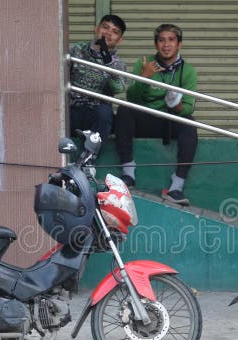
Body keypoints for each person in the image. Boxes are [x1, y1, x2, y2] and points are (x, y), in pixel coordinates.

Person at [115, 24, 198, 206]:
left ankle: (176, 187)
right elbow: (132, 98)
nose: (166, 45)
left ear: (179, 45)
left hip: (169, 122)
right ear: (156, 44)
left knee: (190, 124)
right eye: (161, 40)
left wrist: (176, 105)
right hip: (146, 120)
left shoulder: (188, 71)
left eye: (171, 40)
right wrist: (144, 78)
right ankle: (128, 174)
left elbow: (188, 109)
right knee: (124, 110)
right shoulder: (145, 63)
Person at [68, 15, 127, 144]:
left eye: (115, 31)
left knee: (105, 112)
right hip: (72, 108)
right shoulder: (76, 50)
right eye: (105, 27)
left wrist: (107, 62)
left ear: (119, 40)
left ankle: (90, 158)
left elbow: (118, 88)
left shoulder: (118, 64)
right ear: (97, 29)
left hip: (95, 113)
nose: (108, 33)